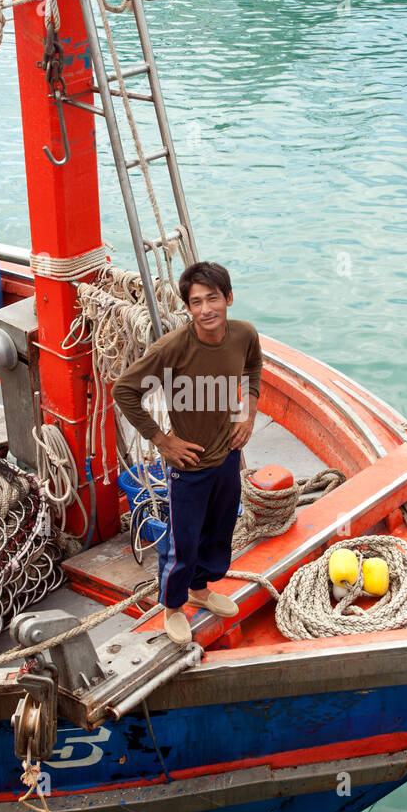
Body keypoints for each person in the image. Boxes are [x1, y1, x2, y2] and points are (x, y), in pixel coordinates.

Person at [112, 261, 262, 644]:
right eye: (196, 302)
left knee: (219, 530)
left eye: (213, 298)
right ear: (188, 308)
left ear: (228, 298)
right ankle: (173, 606)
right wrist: (163, 440)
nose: (205, 309)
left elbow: (253, 369)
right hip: (189, 464)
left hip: (228, 454)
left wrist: (247, 413)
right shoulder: (173, 348)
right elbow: (125, 391)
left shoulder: (244, 334)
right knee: (184, 541)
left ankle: (201, 590)